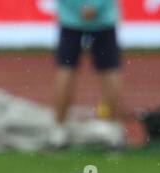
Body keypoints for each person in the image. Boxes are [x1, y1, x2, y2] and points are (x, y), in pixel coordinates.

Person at [51, 0, 125, 148]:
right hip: (103, 18)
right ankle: (115, 132)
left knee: (66, 70)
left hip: (71, 18)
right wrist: (95, 6)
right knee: (109, 71)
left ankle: (58, 132)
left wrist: (79, 7)